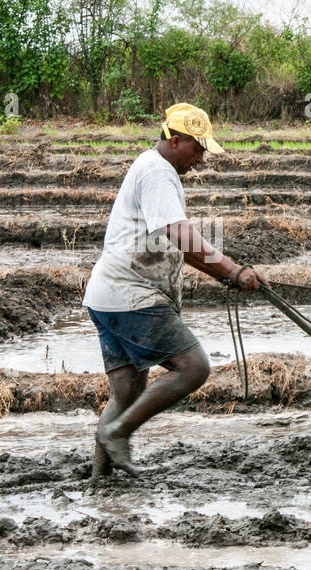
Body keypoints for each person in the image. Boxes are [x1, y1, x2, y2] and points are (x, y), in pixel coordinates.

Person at [82, 103, 267, 478]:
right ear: (176, 140)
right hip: (133, 297)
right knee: (193, 367)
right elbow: (179, 233)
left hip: (106, 297)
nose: (201, 159)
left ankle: (101, 478)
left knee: (127, 393)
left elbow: (177, 243)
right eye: (198, 150)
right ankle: (120, 434)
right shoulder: (157, 172)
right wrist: (233, 268)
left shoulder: (151, 167)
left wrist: (225, 276)